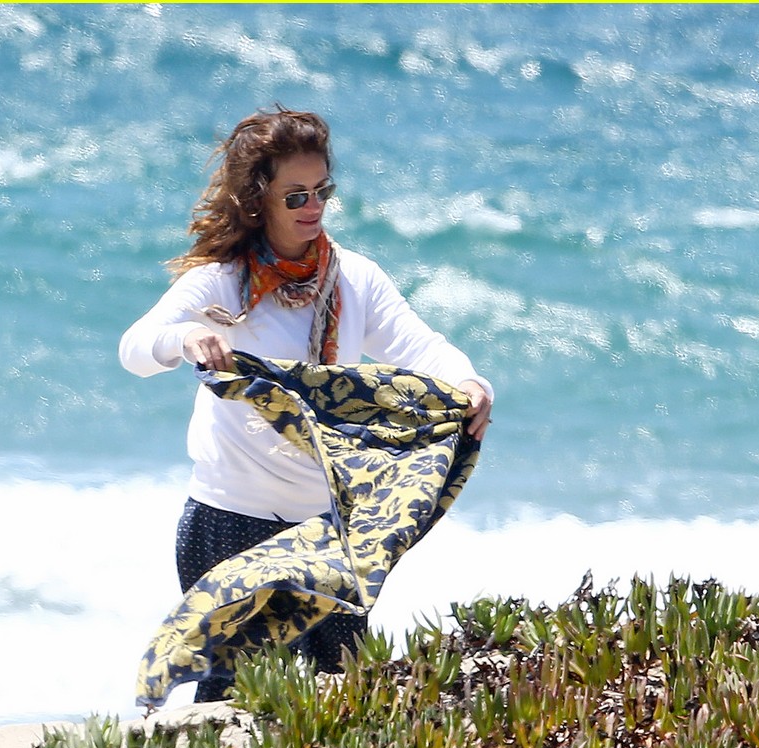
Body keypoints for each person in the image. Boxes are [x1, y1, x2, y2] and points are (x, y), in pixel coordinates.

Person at [119, 106, 493, 702]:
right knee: (231, 701)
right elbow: (135, 348)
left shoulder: (355, 281)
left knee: (343, 696)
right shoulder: (222, 283)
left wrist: (470, 384)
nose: (313, 208)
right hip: (229, 520)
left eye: (323, 191)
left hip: (330, 528)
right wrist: (186, 338)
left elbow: (419, 346)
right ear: (257, 200)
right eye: (296, 196)